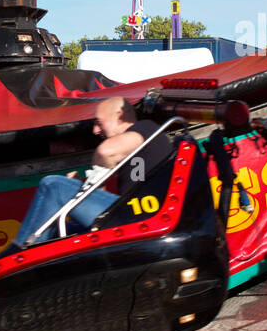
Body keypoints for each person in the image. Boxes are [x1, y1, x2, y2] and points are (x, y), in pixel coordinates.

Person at [12, 97, 173, 247]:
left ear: (119, 115)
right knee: (55, 230)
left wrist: (90, 184)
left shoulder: (146, 128)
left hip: (137, 218)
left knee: (53, 185)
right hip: (132, 214)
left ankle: (17, 256)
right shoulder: (138, 148)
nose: (95, 130)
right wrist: (82, 188)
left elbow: (106, 152)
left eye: (98, 122)